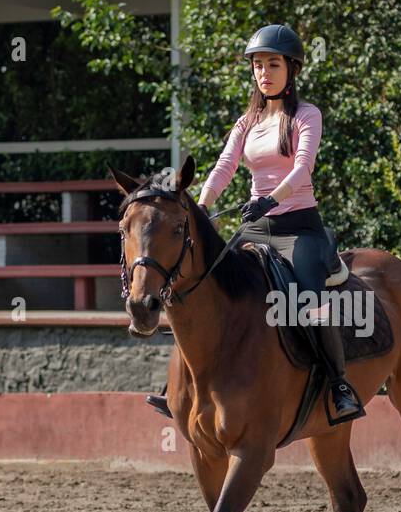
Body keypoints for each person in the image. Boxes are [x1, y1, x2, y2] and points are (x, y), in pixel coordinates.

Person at [147, 23, 365, 424]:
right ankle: (177, 388)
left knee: (309, 303)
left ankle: (339, 384)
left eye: (273, 64)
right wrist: (198, 207)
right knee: (201, 286)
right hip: (256, 227)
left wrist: (269, 200)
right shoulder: (247, 121)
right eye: (258, 65)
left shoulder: (306, 115)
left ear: (292, 69)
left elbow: (303, 168)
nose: (264, 73)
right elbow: (225, 167)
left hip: (298, 227)